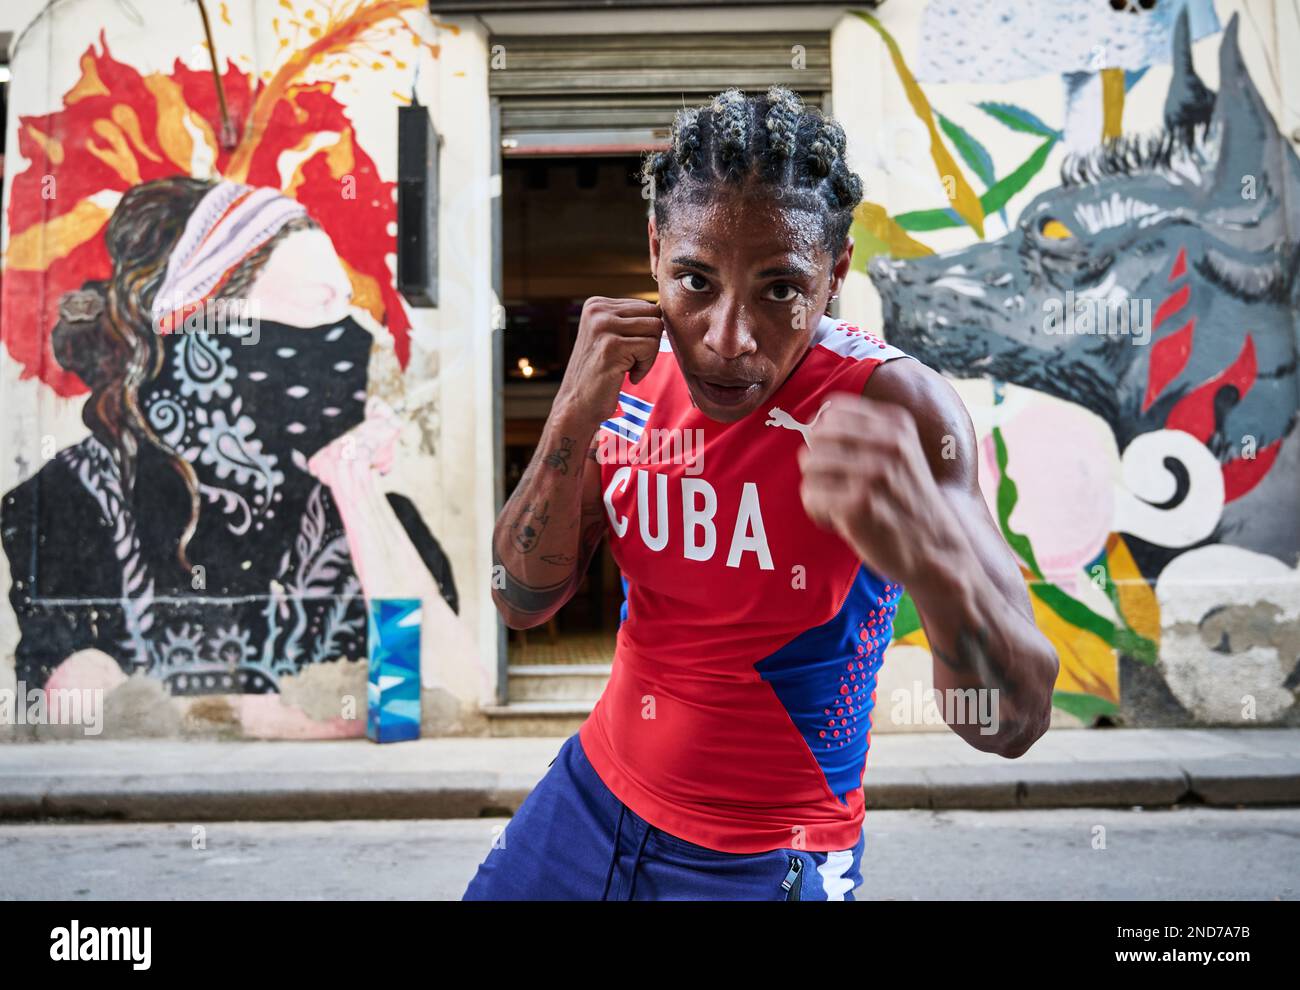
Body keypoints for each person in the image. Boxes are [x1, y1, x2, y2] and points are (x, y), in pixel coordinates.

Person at [463, 87, 1059, 900]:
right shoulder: (629, 373)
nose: (726, 338)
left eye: (780, 289)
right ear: (653, 251)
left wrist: (930, 553)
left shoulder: (893, 406)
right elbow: (519, 601)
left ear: (835, 272)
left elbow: (1010, 724)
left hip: (770, 857)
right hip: (587, 800)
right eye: (695, 281)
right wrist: (571, 411)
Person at [1, 176, 475, 705]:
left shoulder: (382, 523)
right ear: (200, 334)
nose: (357, 333)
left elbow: (427, 699)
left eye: (348, 304)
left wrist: (356, 491)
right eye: (320, 302)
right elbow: (89, 713)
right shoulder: (70, 504)